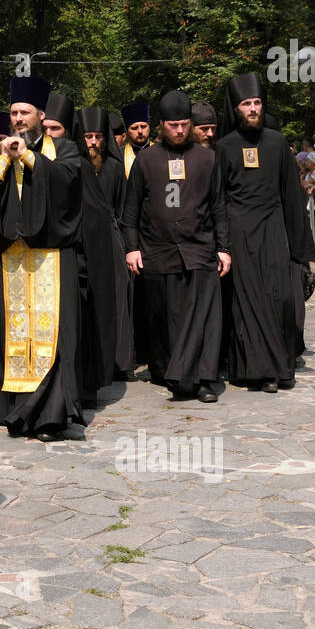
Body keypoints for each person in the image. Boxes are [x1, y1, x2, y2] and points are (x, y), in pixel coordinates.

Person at [0, 76, 84, 440]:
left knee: (52, 336)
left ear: (41, 114)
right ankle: (13, 410)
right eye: (15, 113)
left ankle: (49, 416)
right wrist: (2, 163)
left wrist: (29, 158)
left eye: (26, 112)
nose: (19, 119)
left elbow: (67, 186)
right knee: (12, 333)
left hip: (52, 255)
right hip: (12, 260)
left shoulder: (63, 149)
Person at [123, 90, 230, 403]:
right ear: (162, 125)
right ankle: (176, 373)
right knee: (170, 318)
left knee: (204, 317)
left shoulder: (207, 158)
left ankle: (204, 380)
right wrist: (132, 247)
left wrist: (224, 248)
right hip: (159, 251)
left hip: (200, 249)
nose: (180, 130)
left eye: (184, 124)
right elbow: (131, 210)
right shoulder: (146, 159)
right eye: (173, 125)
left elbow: (218, 206)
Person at [215, 73, 312, 393]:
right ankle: (256, 371)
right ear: (236, 108)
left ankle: (280, 367)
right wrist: (223, 244)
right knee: (247, 304)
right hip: (240, 234)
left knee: (279, 300)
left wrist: (300, 251)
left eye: (257, 102)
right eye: (246, 104)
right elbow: (218, 198)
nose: (253, 109)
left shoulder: (277, 142)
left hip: (273, 231)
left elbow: (292, 196)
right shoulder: (225, 147)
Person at [46, 94, 117, 401]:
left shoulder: (78, 166)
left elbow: (93, 222)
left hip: (73, 263)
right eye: (45, 129)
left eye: (56, 130)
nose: (50, 137)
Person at [77, 106, 135, 383]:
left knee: (117, 296)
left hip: (111, 239)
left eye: (98, 136)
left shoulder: (113, 167)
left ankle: (120, 362)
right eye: (87, 136)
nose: (93, 142)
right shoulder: (74, 165)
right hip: (82, 238)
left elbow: (124, 208)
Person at [121, 100, 152, 178]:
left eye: (143, 126)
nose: (140, 131)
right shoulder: (119, 155)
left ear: (149, 127)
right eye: (134, 128)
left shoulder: (161, 152)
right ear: (127, 131)